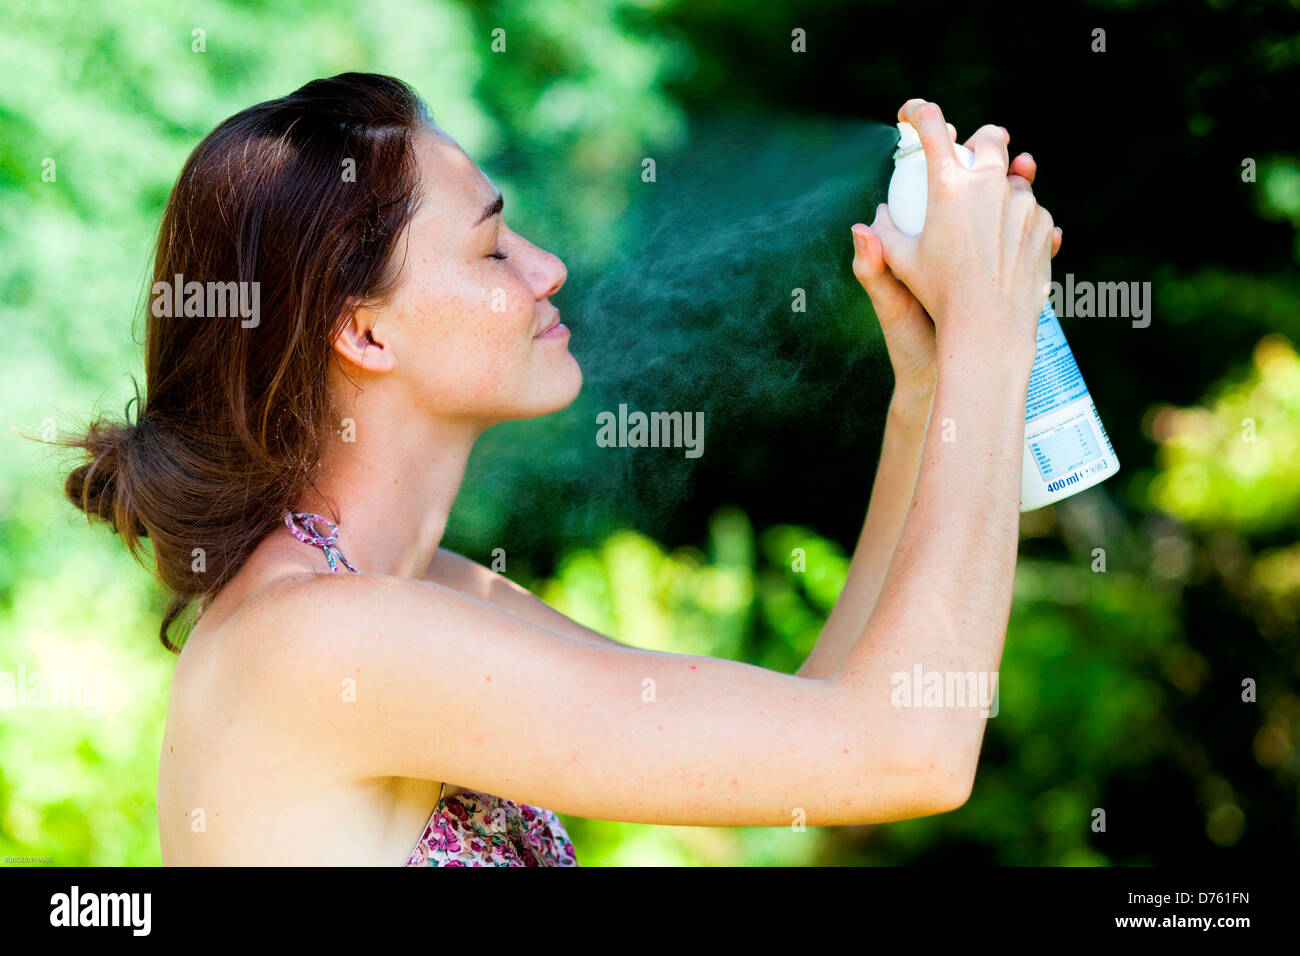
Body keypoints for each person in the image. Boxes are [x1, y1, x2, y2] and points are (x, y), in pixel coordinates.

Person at [62, 74, 1060, 865]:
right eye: (493, 248)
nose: (545, 269)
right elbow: (906, 750)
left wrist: (927, 395)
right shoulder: (328, 639)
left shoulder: (397, 594)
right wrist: (990, 335)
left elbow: (830, 717)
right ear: (363, 331)